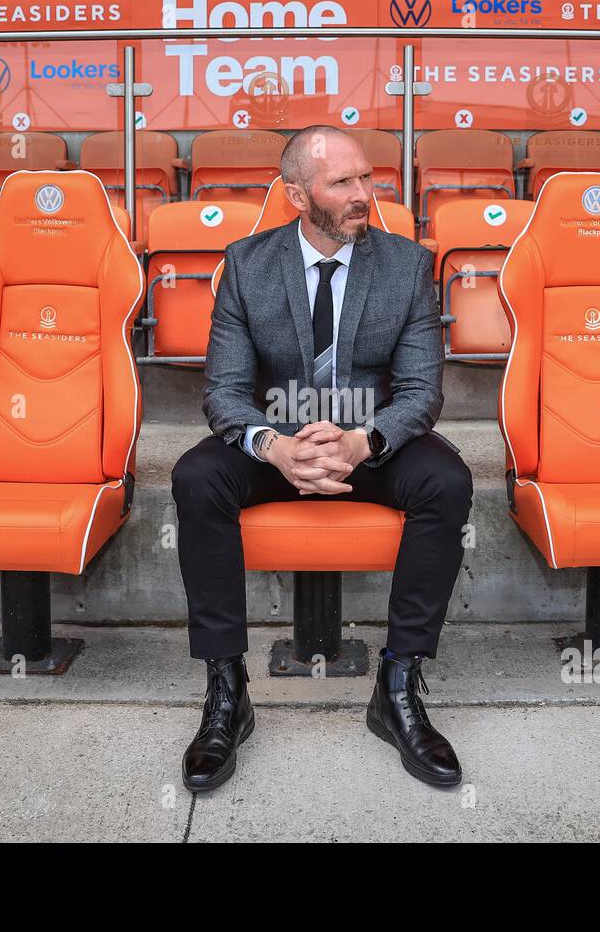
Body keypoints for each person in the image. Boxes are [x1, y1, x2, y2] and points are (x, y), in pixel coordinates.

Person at [170, 124, 473, 792]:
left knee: (447, 481)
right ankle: (227, 689)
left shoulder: (406, 265)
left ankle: (397, 687)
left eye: (367, 178)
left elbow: (422, 393)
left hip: (371, 441)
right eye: (343, 183)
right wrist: (274, 447)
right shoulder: (248, 265)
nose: (364, 194)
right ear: (297, 195)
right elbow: (222, 391)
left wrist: (363, 442)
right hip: (277, 437)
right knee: (197, 477)